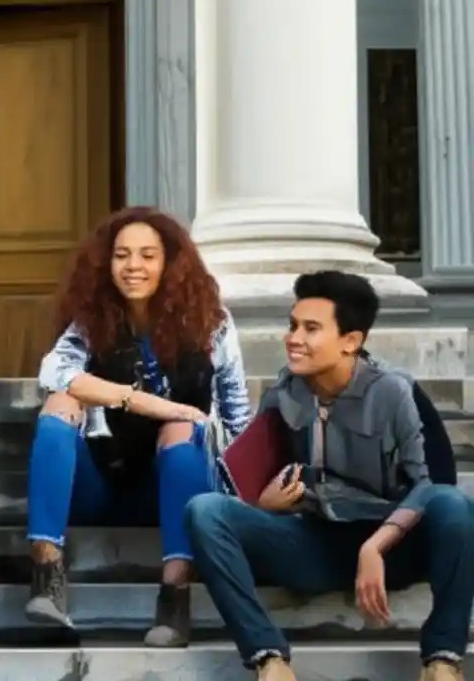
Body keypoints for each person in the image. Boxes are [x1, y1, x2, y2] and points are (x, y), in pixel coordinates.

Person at [185, 271, 474, 681]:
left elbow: (432, 484)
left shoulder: (395, 392)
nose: (293, 338)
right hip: (315, 544)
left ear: (350, 341)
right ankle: (269, 659)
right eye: (293, 325)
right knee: (205, 511)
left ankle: (442, 660)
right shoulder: (284, 393)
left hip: (394, 548)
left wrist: (376, 545)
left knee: (454, 505)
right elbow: (256, 476)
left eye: (311, 328)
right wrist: (264, 503)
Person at [25, 207, 251, 648]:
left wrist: (248, 502)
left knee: (180, 429)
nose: (133, 266)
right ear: (105, 264)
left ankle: (175, 596)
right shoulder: (94, 322)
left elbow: (237, 418)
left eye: (148, 255)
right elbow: (54, 372)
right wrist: (145, 402)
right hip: (101, 484)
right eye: (122, 255)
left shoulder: (211, 324)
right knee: (60, 402)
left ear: (170, 263)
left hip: (179, 489)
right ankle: (46, 573)